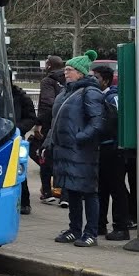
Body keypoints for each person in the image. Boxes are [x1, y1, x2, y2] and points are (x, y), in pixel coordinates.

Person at [48, 50, 104, 246]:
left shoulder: (91, 92)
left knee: (88, 192)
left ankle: (91, 233)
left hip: (82, 151)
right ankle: (74, 229)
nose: (66, 72)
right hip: (65, 151)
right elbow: (56, 120)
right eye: (66, 69)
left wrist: (78, 138)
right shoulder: (66, 92)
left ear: (81, 72)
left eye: (70, 69)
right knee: (71, 191)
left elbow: (97, 123)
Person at [92, 64, 131, 241]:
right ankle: (100, 224)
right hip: (103, 147)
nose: (93, 81)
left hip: (113, 148)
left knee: (117, 188)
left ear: (106, 80)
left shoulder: (112, 98)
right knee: (102, 188)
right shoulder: (100, 97)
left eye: (97, 78)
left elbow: (116, 122)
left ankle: (121, 226)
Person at [37, 56, 67, 206]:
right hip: (66, 124)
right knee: (64, 157)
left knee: (44, 155)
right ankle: (64, 193)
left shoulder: (48, 81)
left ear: (49, 66)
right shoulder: (67, 79)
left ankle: (48, 191)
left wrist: (39, 124)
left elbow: (47, 102)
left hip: (49, 124)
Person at [11, 82, 38, 215]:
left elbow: (31, 118)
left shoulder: (21, 96)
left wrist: (17, 128)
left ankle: (24, 202)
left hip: (15, 136)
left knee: (18, 170)